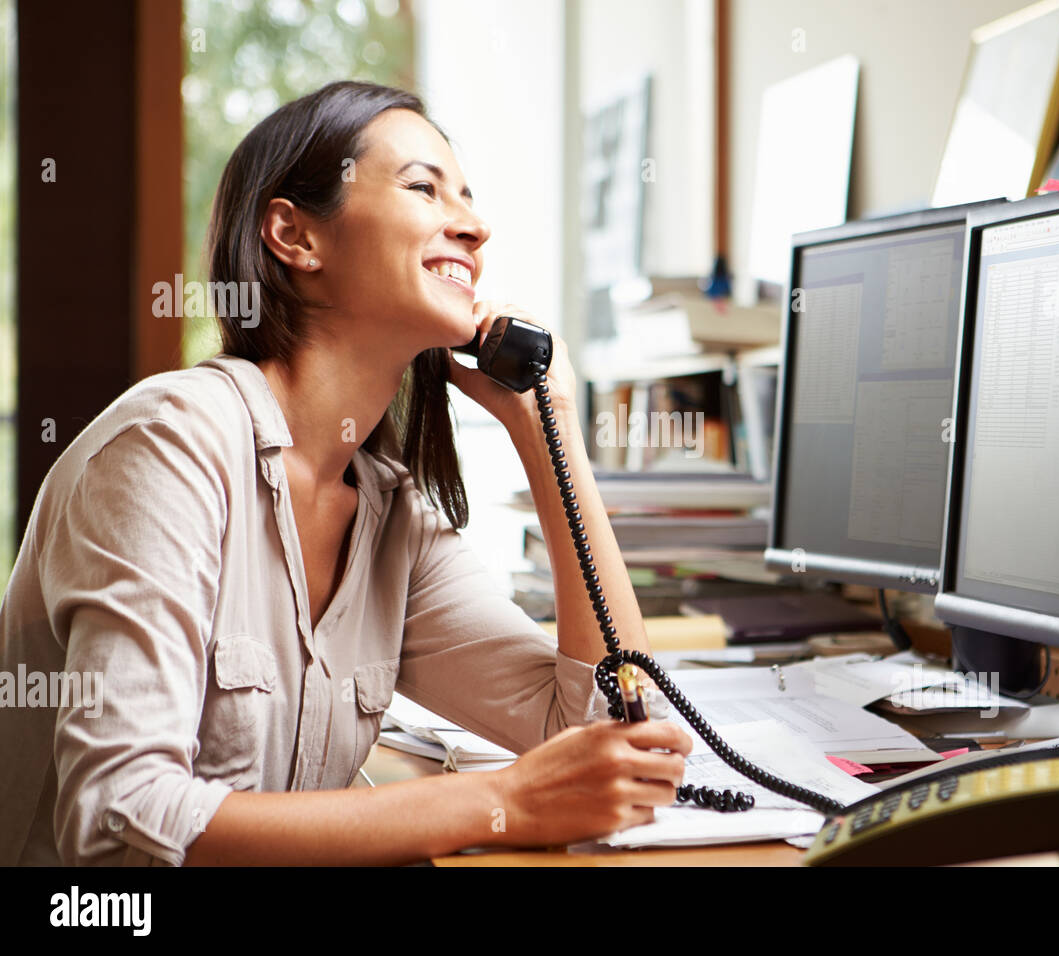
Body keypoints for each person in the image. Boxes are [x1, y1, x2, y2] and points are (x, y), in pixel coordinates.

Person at [0, 80, 691, 866]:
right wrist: (496, 801)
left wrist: (549, 429)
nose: (474, 225)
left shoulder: (390, 513)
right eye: (424, 189)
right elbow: (118, 816)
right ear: (295, 237)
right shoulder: (168, 450)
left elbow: (619, 735)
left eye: (467, 196)